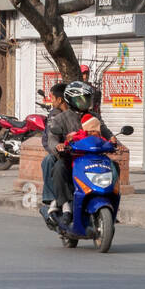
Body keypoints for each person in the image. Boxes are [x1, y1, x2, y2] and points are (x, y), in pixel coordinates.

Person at [40, 81, 111, 224]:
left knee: (113, 166)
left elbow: (106, 131)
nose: (86, 102)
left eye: (87, 98)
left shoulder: (93, 116)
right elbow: (52, 139)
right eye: (81, 99)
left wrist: (116, 142)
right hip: (71, 158)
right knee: (59, 168)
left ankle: (110, 200)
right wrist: (59, 146)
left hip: (92, 157)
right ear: (71, 100)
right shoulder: (60, 118)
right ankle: (65, 205)